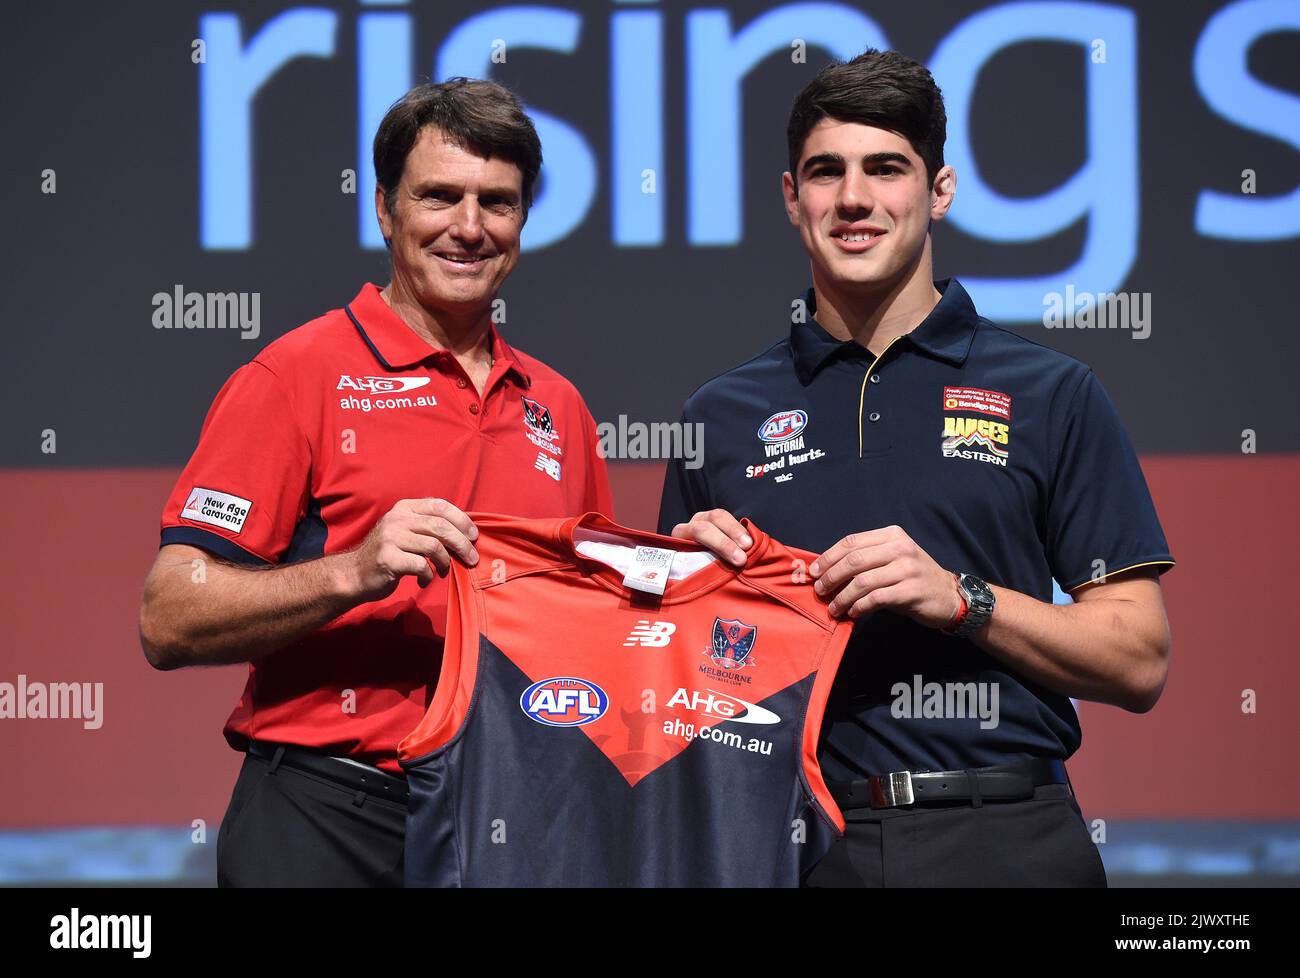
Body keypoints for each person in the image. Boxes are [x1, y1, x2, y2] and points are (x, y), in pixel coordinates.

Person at [658, 50, 1173, 887]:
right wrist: (686, 601)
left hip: (1008, 837)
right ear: (793, 199)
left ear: (939, 190)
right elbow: (674, 702)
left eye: (886, 168)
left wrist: (960, 600)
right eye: (826, 172)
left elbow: (1139, 659)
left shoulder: (1053, 393)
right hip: (796, 845)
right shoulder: (719, 415)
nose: (854, 199)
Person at [139, 78, 612, 887]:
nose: (469, 227)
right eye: (440, 196)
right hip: (326, 816)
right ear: (385, 208)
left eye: (497, 202)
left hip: (506, 824)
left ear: (525, 221)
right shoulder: (294, 376)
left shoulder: (558, 407)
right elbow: (168, 616)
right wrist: (355, 570)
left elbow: (594, 633)